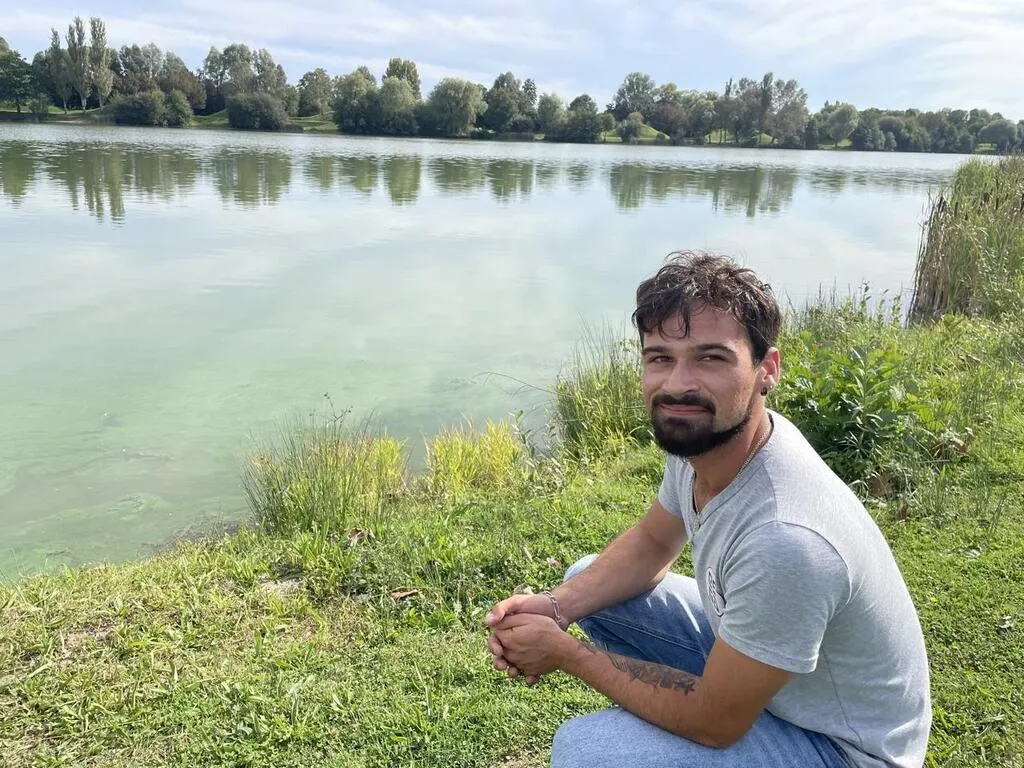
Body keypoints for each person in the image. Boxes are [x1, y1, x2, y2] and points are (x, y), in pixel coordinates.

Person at [485, 252, 931, 768]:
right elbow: (653, 543)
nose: (678, 384)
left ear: (767, 370)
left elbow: (714, 724)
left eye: (711, 358)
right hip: (783, 687)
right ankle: (719, 699)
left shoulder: (787, 539)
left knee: (587, 750)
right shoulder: (710, 442)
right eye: (660, 358)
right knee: (586, 581)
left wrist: (567, 654)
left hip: (842, 747)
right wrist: (555, 609)